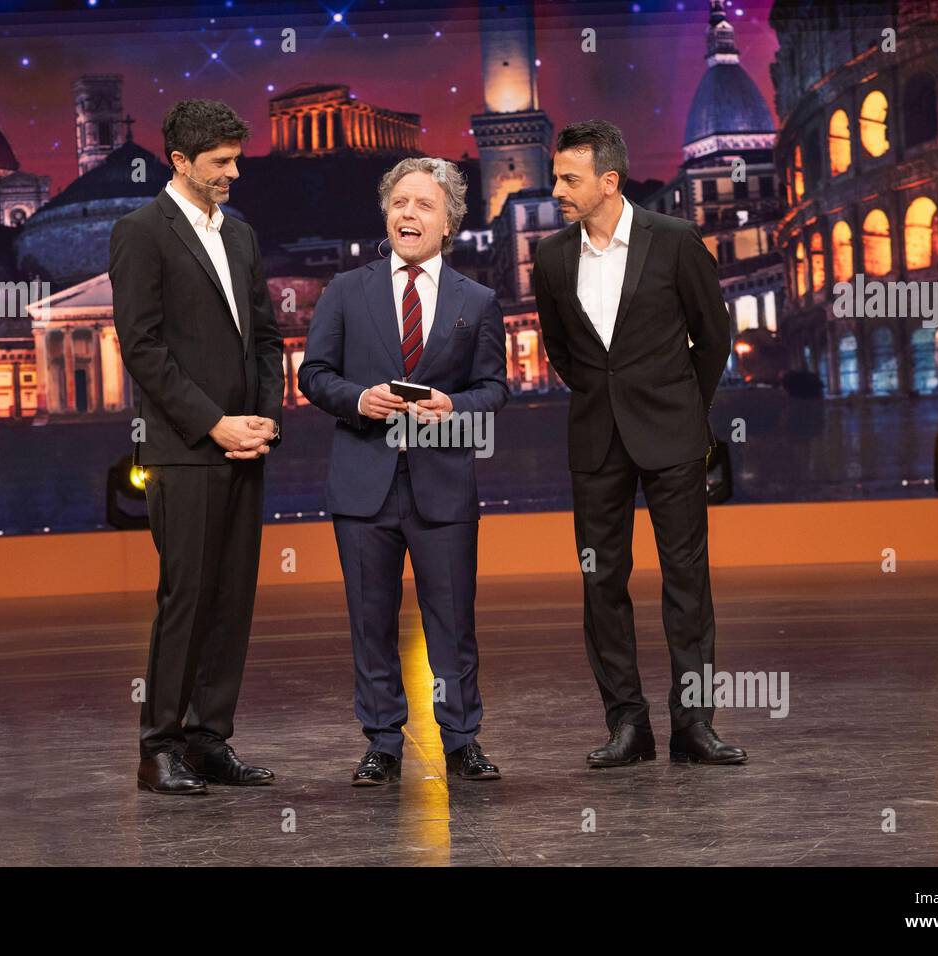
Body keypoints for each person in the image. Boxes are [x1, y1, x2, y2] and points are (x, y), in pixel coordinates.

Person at [531, 119, 747, 767]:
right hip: (596, 441)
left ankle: (694, 726)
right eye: (556, 178)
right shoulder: (550, 257)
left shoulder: (676, 242)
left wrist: (683, 406)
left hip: (674, 436)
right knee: (603, 584)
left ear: (609, 181)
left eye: (570, 179)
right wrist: (609, 397)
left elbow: (713, 339)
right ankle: (628, 725)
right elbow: (562, 353)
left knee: (687, 582)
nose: (558, 190)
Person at [298, 158, 509, 786]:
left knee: (453, 622)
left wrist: (455, 406)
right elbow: (314, 375)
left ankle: (462, 738)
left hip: (443, 487)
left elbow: (495, 388)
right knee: (371, 620)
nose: (408, 214)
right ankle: (383, 741)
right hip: (363, 484)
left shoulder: (479, 301)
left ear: (449, 223)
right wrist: (359, 400)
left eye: (423, 205)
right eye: (399, 203)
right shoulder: (345, 289)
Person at [110, 99, 283, 794]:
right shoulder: (140, 231)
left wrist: (263, 421)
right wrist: (215, 424)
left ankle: (210, 741)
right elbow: (143, 350)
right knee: (187, 597)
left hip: (247, 444)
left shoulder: (239, 236)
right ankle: (160, 749)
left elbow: (267, 340)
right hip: (187, 448)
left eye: (236, 159)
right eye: (219, 163)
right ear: (179, 162)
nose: (233, 173)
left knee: (233, 597)